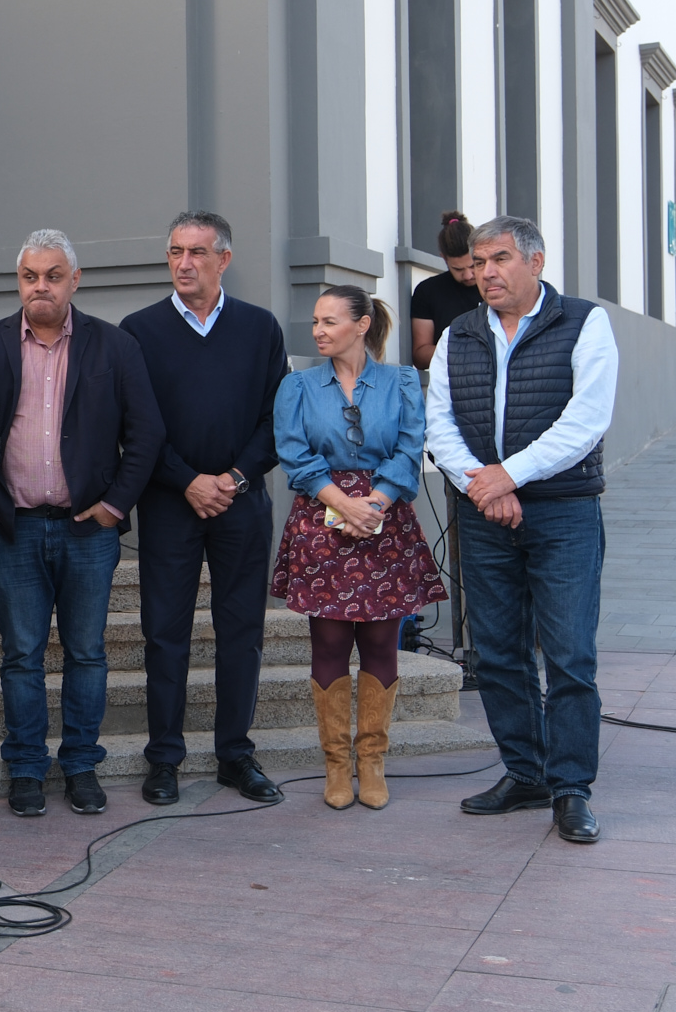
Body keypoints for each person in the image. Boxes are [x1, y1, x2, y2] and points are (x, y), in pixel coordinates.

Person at [424, 216, 616, 844]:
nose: (486, 273)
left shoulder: (584, 323)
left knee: (569, 656)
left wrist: (508, 475)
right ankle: (525, 773)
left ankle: (570, 788)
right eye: (479, 262)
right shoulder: (459, 334)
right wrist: (485, 484)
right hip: (485, 515)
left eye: (500, 258)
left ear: (535, 261)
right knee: (500, 653)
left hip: (561, 512)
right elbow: (439, 423)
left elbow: (584, 421)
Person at [0, 232, 163, 817]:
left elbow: (146, 434)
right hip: (13, 528)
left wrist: (114, 507)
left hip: (87, 531)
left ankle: (80, 765)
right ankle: (25, 767)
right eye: (29, 276)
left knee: (86, 653)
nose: (40, 286)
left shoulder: (114, 346)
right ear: (18, 281)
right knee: (21, 655)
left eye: (52, 275)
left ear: (75, 281)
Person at [119, 213, 289, 807]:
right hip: (169, 505)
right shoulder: (138, 330)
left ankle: (235, 757)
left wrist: (236, 478)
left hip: (242, 505)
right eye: (174, 252)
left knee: (241, 632)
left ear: (224, 259)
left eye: (196, 252)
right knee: (165, 634)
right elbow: (135, 426)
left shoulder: (260, 328)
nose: (184, 262)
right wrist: (188, 479)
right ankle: (164, 758)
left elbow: (278, 421)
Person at [272, 289, 447, 809]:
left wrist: (372, 505)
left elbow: (410, 446)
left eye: (329, 322)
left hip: (384, 521)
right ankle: (335, 765)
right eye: (315, 322)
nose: (318, 331)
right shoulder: (297, 385)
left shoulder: (401, 382)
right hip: (321, 523)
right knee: (327, 646)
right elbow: (294, 454)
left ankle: (371, 762)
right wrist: (342, 506)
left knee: (380, 646)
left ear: (362, 324)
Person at [411, 211, 483, 368]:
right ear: (443, 258)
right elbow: (420, 356)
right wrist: (465, 351)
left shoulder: (497, 287)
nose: (468, 275)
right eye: (458, 269)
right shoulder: (428, 291)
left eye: (473, 266)